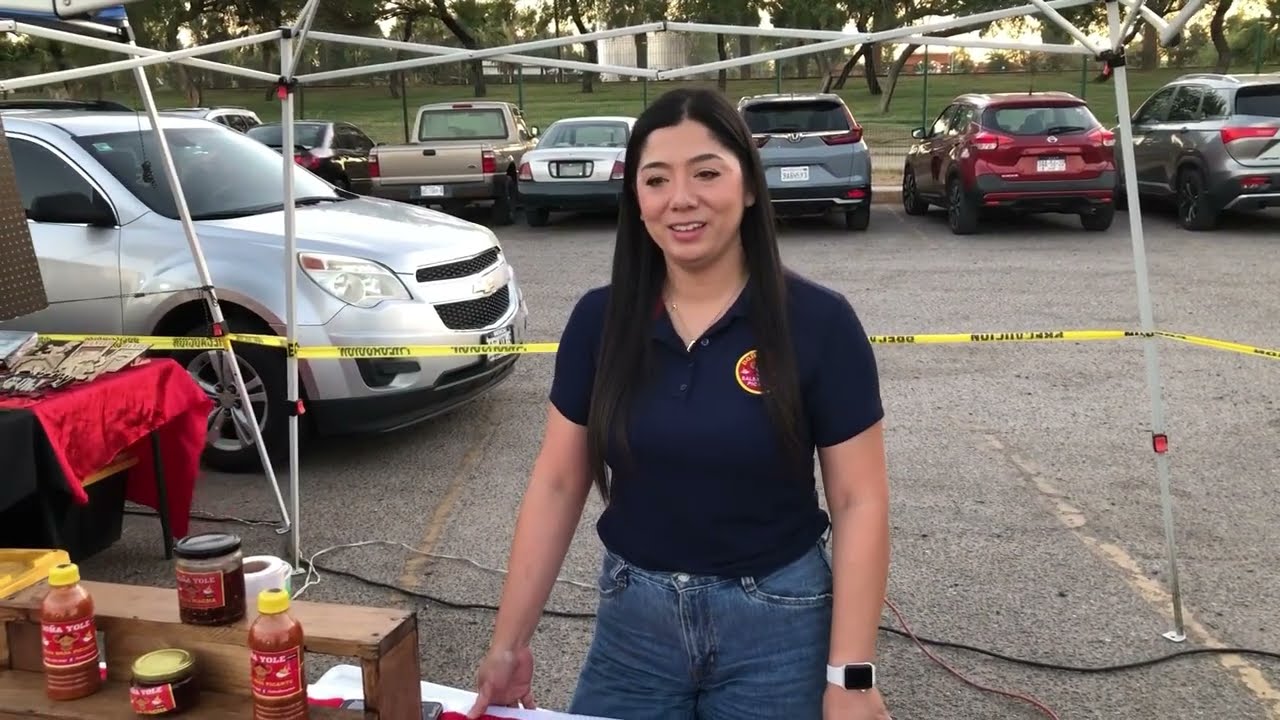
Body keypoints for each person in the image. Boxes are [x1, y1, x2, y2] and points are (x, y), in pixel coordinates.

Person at [467, 86, 891, 720]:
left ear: (749, 186)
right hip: (633, 627)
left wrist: (851, 678)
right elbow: (557, 484)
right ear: (636, 200)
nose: (681, 199)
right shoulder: (597, 321)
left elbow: (860, 501)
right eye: (656, 179)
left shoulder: (819, 322)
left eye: (707, 173)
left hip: (779, 625)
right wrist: (508, 645)